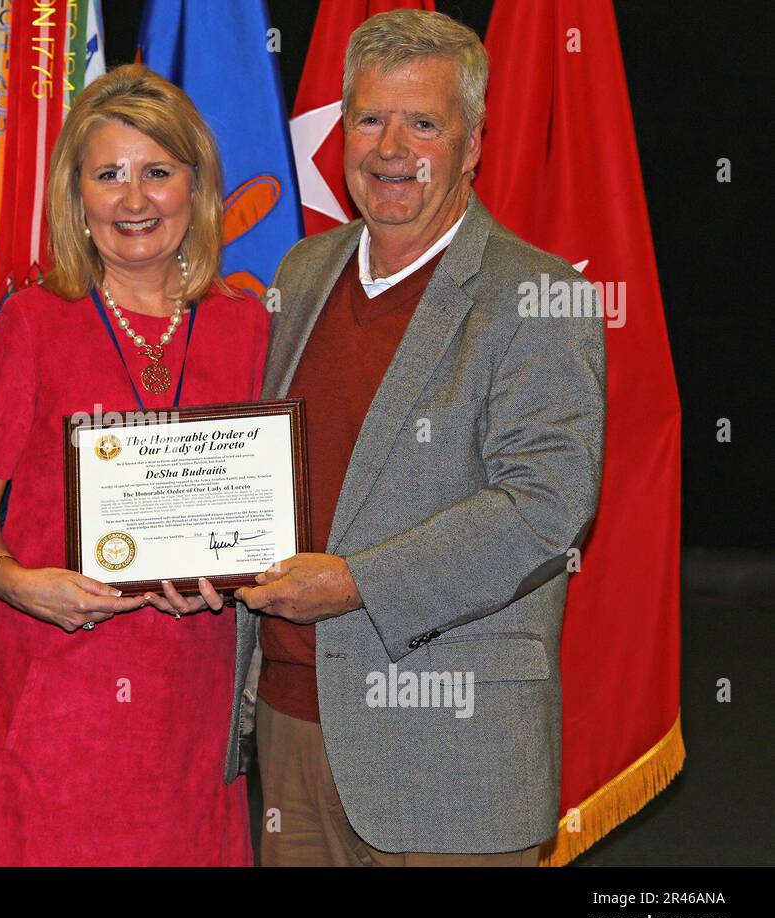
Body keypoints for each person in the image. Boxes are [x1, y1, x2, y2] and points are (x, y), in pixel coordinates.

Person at [230, 9, 606, 866]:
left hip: (453, 756)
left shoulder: (539, 295)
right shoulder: (301, 271)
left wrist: (356, 583)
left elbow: (545, 509)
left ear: (471, 145)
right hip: (291, 734)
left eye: (423, 123)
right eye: (370, 118)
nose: (391, 147)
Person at [0, 65, 268, 866]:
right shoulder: (35, 323)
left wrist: (244, 572)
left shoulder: (247, 328)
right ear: (77, 198)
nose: (135, 199)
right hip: (53, 697)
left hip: (192, 704)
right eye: (108, 175)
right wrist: (14, 580)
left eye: (157, 172)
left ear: (197, 186)